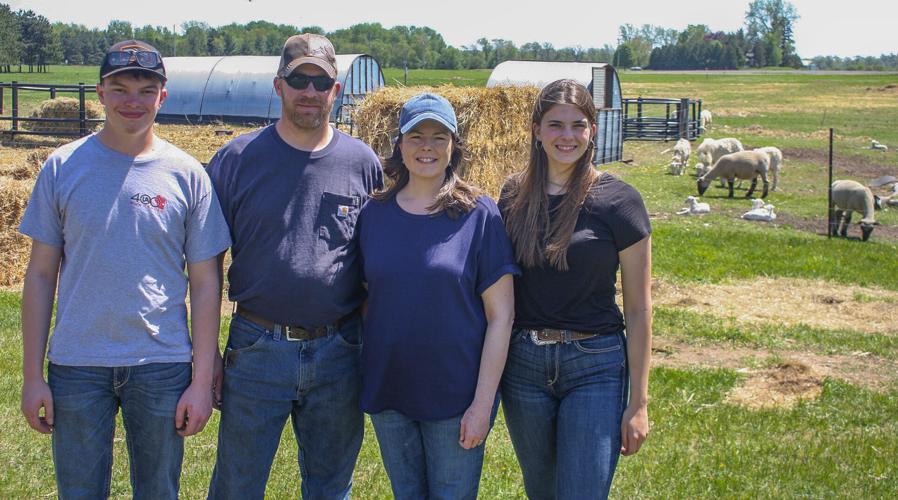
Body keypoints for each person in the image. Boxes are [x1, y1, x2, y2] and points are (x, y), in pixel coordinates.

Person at [18, 40, 230, 499]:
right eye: (120, 88)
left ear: (163, 96)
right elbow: (38, 276)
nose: (132, 101)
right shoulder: (62, 167)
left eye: (145, 89)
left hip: (161, 363)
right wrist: (33, 376)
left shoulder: (187, 174)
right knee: (78, 491)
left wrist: (199, 379)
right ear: (99, 93)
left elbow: (206, 281)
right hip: (77, 363)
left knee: (157, 491)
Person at [206, 33, 383, 499]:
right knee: (237, 485)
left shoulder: (361, 162)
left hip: (339, 349)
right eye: (298, 79)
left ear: (336, 90)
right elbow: (204, 265)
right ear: (278, 86)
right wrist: (205, 357)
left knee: (331, 486)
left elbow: (378, 262)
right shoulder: (236, 160)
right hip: (258, 344)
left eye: (320, 81)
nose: (310, 91)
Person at [358, 92, 517, 500]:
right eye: (416, 136)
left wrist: (483, 405)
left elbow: (501, 317)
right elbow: (363, 299)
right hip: (390, 391)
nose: (426, 147)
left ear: (454, 146)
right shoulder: (374, 214)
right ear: (399, 144)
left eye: (439, 136)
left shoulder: (479, 214)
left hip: (455, 397)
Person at [498, 79, 652, 500]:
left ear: (593, 131)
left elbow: (639, 310)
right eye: (555, 125)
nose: (567, 136)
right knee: (542, 491)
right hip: (524, 365)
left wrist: (638, 404)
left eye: (578, 125)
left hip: (595, 363)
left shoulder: (620, 202)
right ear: (536, 130)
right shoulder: (513, 195)